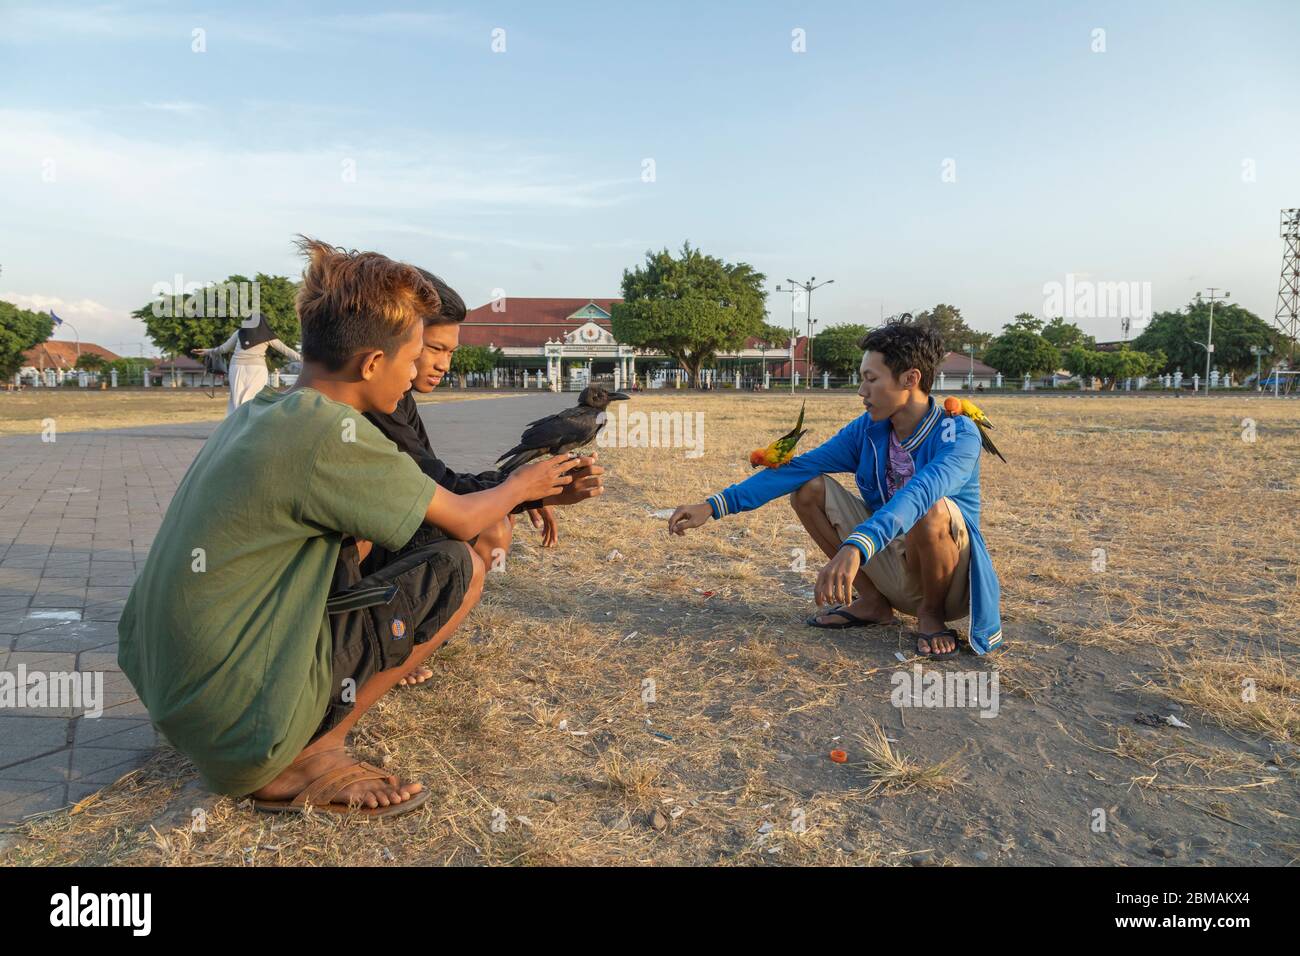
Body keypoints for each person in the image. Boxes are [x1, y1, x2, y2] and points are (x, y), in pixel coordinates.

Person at [118, 237, 604, 817]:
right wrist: (525, 487)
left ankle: (297, 720)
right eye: (415, 355)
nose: (422, 371)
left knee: (385, 541)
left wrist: (517, 494)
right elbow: (465, 518)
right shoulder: (331, 434)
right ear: (374, 362)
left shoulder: (266, 410)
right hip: (239, 730)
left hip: (177, 695)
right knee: (457, 564)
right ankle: (308, 756)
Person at [667, 319, 1001, 659]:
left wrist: (855, 547)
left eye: (871, 379)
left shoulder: (957, 433)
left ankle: (930, 615)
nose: (861, 391)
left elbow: (918, 495)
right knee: (808, 488)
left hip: (949, 583)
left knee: (929, 510)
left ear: (910, 379)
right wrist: (713, 506)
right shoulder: (868, 431)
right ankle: (872, 602)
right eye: (862, 380)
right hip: (889, 561)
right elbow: (800, 467)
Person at [194, 314, 301, 414]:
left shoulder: (240, 332)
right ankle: (250, 424)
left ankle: (235, 424)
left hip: (237, 368)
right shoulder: (268, 336)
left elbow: (223, 349)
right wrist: (306, 360)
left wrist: (207, 351)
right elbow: (287, 351)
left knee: (236, 399)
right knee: (254, 397)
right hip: (257, 369)